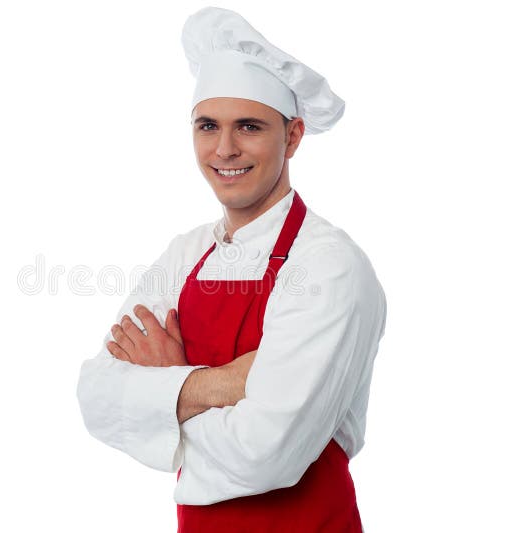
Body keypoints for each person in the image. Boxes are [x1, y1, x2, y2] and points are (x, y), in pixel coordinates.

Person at [76, 6, 387, 532]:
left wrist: (162, 398)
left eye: (249, 126)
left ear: (292, 137)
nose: (224, 150)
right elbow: (97, 397)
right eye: (207, 126)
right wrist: (224, 385)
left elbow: (267, 453)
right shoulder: (185, 252)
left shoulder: (330, 266)